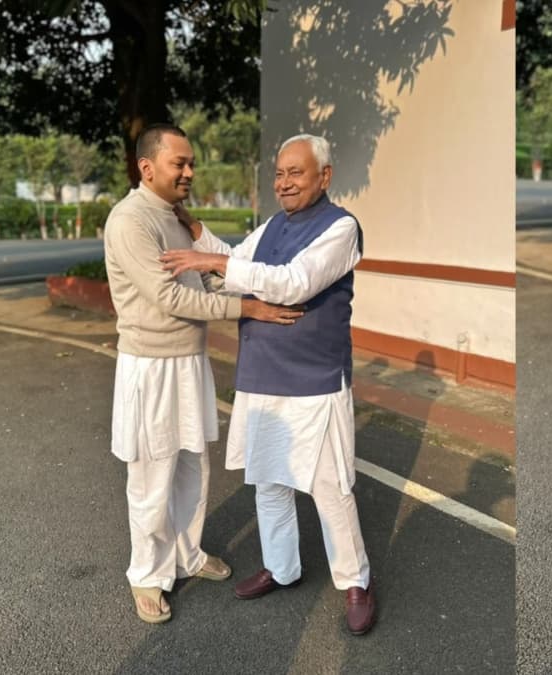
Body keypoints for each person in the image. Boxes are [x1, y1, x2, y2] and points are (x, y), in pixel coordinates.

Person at [160, 134, 375, 635]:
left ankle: (355, 582)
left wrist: (216, 264)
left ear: (324, 176)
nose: (284, 183)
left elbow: (295, 282)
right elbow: (237, 262)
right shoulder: (274, 224)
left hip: (315, 378)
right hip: (262, 374)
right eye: (279, 174)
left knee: (330, 487)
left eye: (295, 173)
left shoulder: (341, 227)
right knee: (269, 482)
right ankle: (282, 567)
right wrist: (197, 233)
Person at [104, 123, 302, 624]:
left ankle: (187, 554)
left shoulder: (173, 219)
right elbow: (169, 297)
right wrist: (248, 311)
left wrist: (248, 299)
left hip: (189, 362)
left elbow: (207, 283)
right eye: (180, 164)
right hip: (149, 366)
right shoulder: (130, 221)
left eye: (191, 163)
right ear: (147, 168)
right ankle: (146, 573)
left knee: (194, 465)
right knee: (152, 474)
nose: (190, 172)